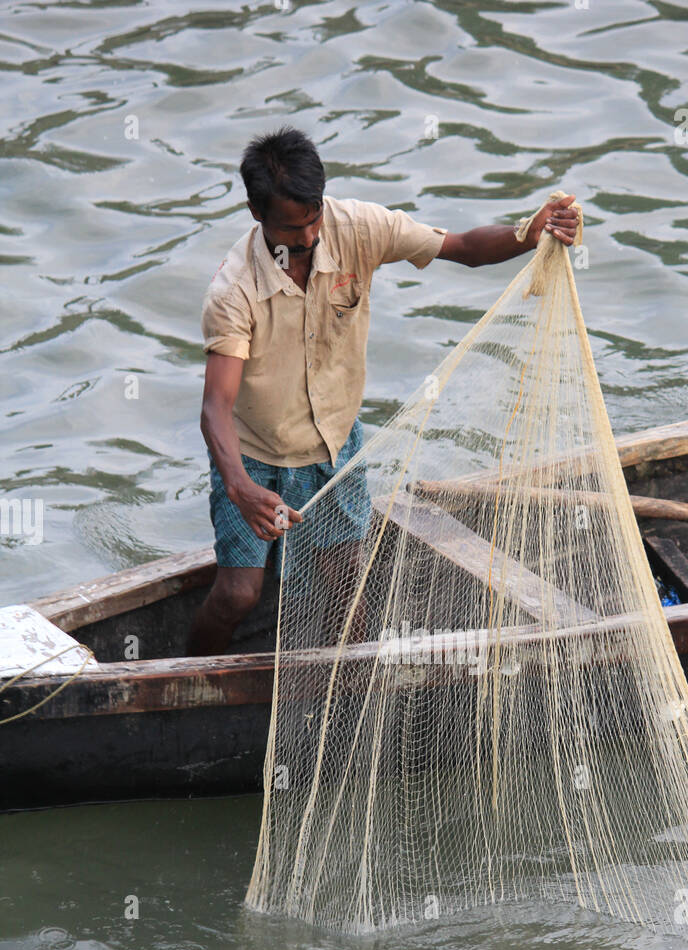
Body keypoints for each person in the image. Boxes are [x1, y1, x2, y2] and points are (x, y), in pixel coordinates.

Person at [188, 126, 579, 655]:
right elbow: (217, 407)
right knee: (239, 593)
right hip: (254, 455)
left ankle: (341, 685)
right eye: (290, 228)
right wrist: (238, 486)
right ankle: (192, 672)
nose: (307, 238)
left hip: (334, 447)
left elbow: (461, 248)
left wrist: (525, 235)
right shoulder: (234, 289)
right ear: (257, 214)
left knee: (349, 582)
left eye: (313, 220)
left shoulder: (359, 229)